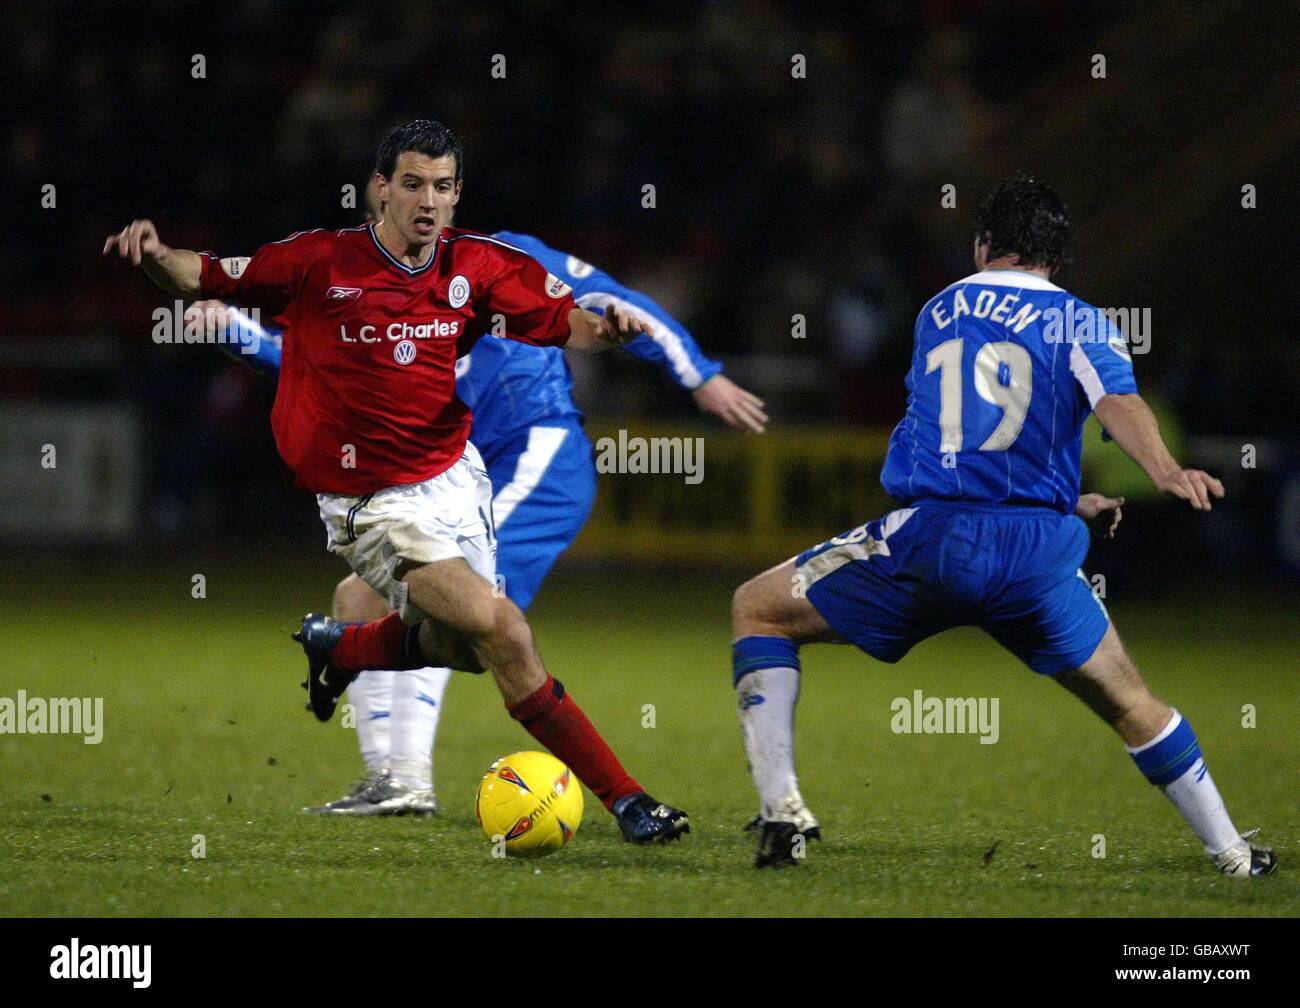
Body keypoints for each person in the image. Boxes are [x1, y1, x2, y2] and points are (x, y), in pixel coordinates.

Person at [105, 118, 690, 843]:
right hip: (371, 505)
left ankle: (341, 649)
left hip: (455, 477)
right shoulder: (318, 262)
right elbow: (205, 274)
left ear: (456, 196)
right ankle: (631, 802)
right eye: (412, 184)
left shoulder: (477, 267)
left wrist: (613, 325)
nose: (427, 202)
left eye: (441, 188)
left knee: (466, 648)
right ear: (380, 189)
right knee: (505, 632)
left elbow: (569, 322)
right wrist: (157, 256)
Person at [728, 173, 1277, 876]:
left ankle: (783, 813)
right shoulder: (1080, 320)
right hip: (1032, 558)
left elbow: (964, 439)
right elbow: (1116, 402)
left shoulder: (937, 309)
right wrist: (1165, 470)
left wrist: (1062, 499)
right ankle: (1232, 854)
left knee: (758, 609)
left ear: (984, 242)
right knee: (1131, 702)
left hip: (931, 541)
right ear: (1058, 256)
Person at [197, 221, 766, 816]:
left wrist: (697, 373)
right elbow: (323, 367)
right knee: (360, 599)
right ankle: (391, 774)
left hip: (534, 456)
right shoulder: (370, 286)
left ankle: (402, 761)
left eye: (438, 189)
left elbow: (610, 302)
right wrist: (238, 331)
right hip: (446, 476)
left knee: (472, 621)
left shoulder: (504, 258)